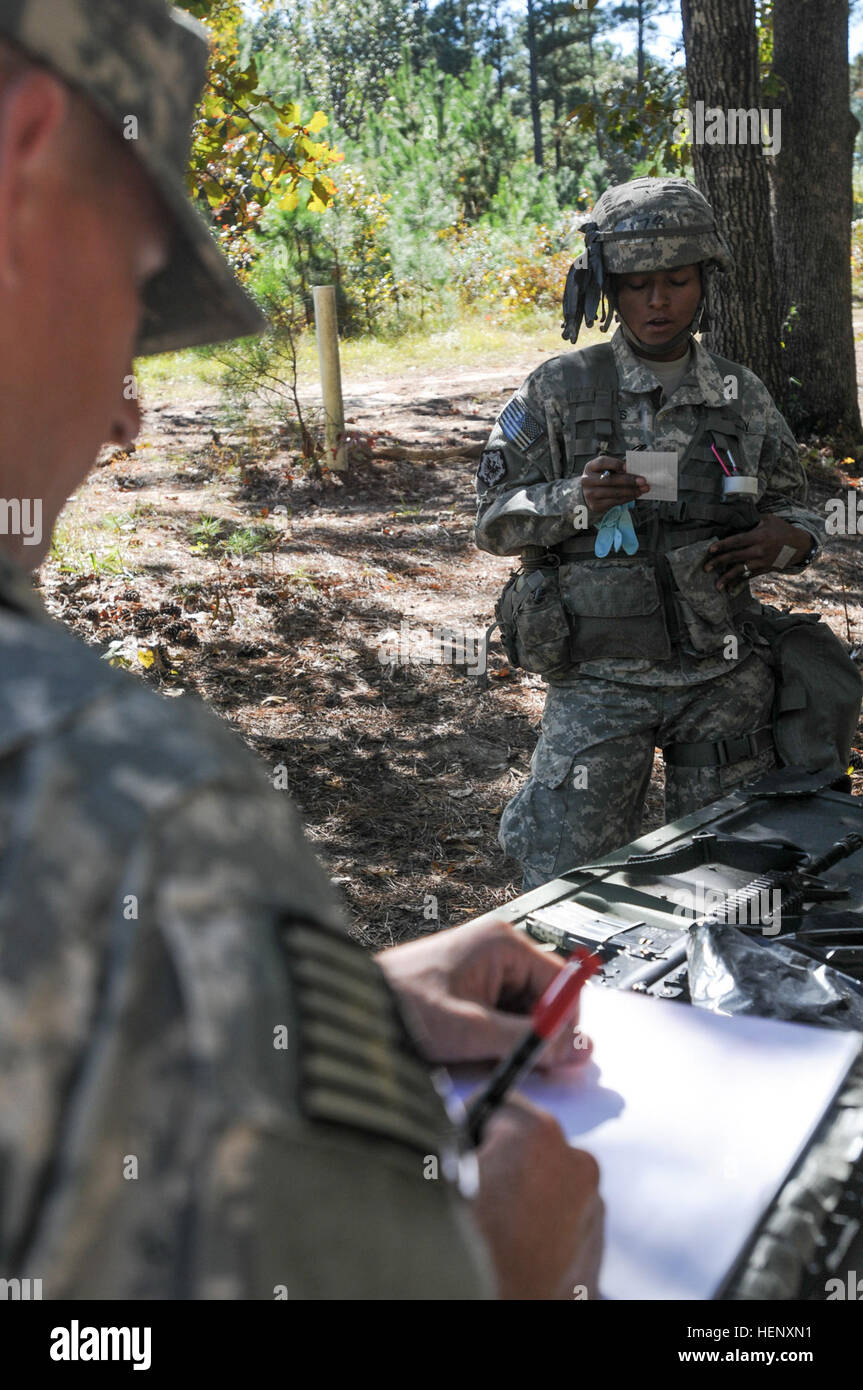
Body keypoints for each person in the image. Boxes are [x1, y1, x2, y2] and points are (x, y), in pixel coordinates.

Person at [0, 1, 602, 1300]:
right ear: (19, 162)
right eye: (138, 285)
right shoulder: (122, 801)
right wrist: (509, 1260)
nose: (122, 417)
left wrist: (246, 993)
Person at [476, 177, 826, 891]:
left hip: (721, 678)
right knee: (564, 877)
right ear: (608, 287)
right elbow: (491, 520)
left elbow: (802, 508)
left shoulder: (741, 394)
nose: (658, 301)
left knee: (734, 880)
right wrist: (572, 498)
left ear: (704, 283)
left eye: (676, 281)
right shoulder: (558, 388)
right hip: (599, 681)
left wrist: (784, 540)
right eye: (637, 284)